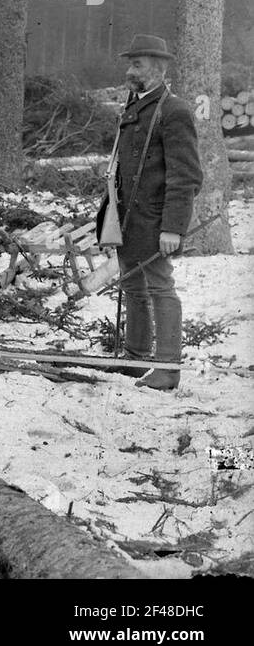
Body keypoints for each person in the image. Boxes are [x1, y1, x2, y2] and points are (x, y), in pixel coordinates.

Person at [96, 35, 202, 391]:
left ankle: (168, 368)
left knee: (160, 288)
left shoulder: (174, 111)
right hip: (127, 219)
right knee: (133, 287)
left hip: (156, 221)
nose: (130, 70)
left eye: (137, 64)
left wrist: (173, 227)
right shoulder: (134, 107)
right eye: (131, 63)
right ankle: (135, 357)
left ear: (158, 69)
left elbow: (185, 176)